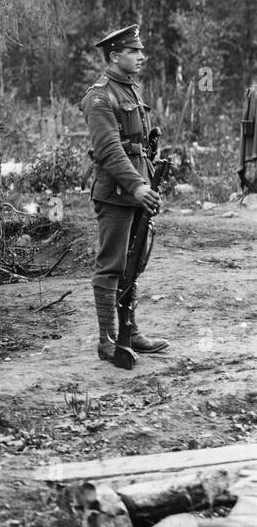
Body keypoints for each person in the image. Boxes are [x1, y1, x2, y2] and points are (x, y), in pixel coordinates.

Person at [80, 25, 169, 368]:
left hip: (137, 191)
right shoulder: (100, 96)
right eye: (134, 51)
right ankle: (107, 340)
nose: (141, 56)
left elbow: (137, 147)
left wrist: (147, 181)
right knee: (112, 266)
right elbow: (108, 150)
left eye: (141, 50)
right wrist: (137, 186)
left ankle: (129, 333)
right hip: (117, 194)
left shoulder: (129, 90)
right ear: (115, 56)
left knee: (134, 264)